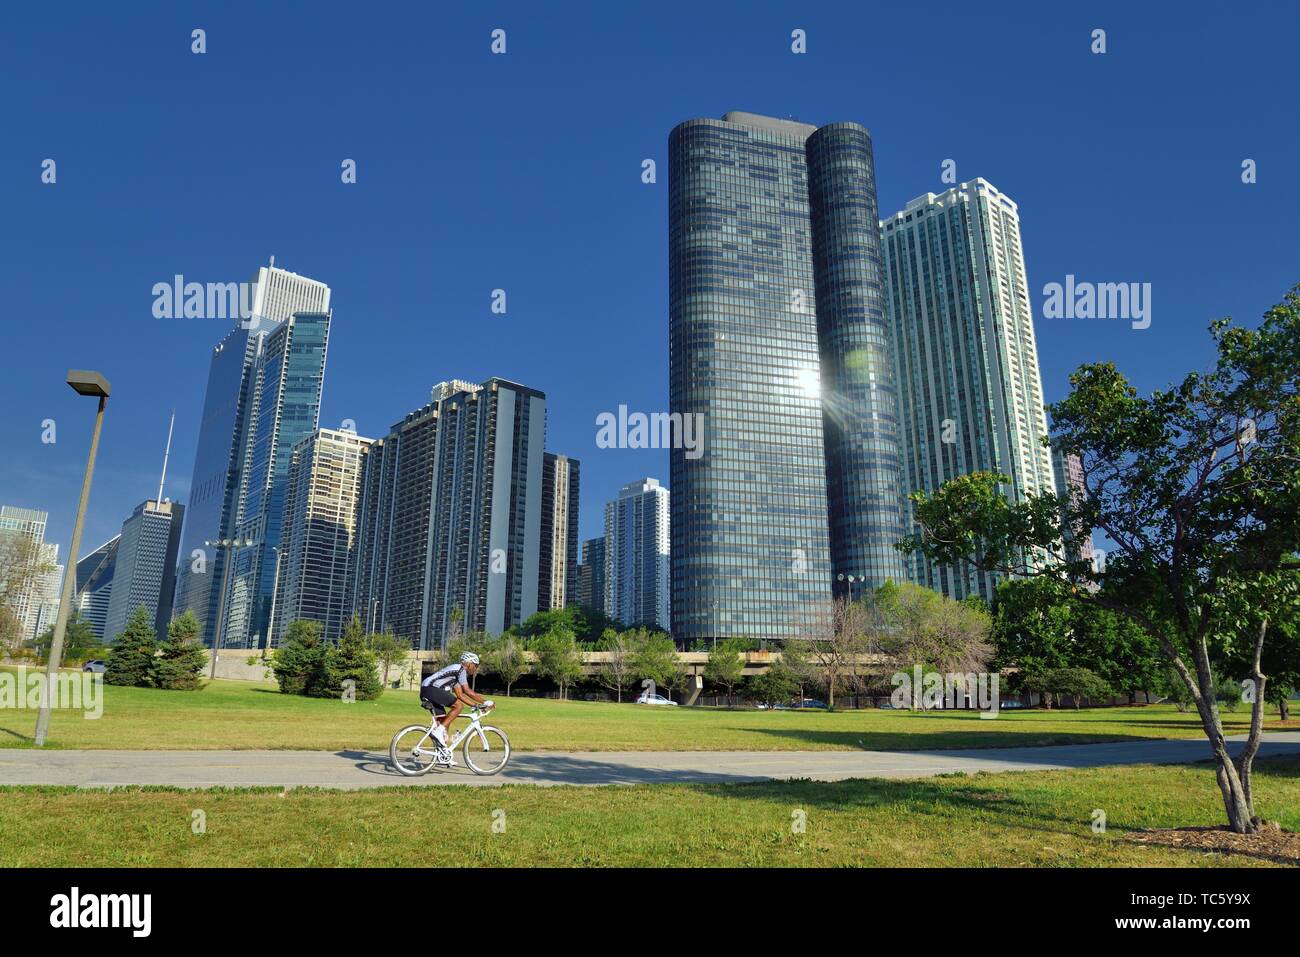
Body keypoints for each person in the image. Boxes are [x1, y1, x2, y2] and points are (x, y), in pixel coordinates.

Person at [419, 651, 493, 747]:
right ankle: (438, 731)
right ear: (469, 663)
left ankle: (443, 755)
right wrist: (485, 702)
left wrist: (476, 705)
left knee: (444, 722)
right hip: (430, 688)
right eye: (475, 665)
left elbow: (460, 695)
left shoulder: (456, 674)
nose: (476, 668)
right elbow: (467, 690)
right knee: (458, 706)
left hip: (427, 690)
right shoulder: (460, 669)